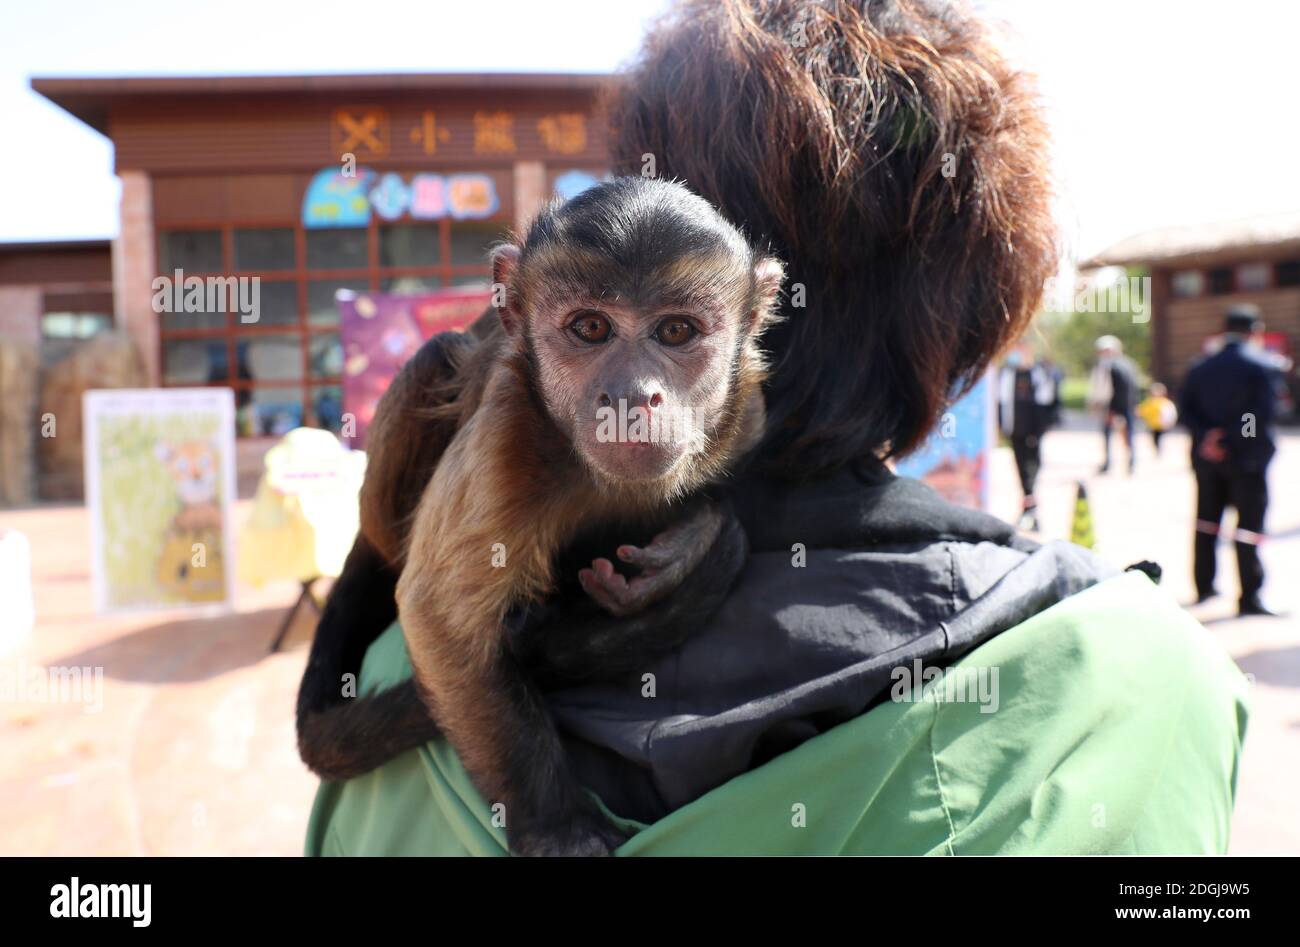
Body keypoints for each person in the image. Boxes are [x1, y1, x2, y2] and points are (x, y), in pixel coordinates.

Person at [305, 0, 1247, 856]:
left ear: (761, 315)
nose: (632, 389)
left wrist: (710, 532)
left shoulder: (391, 669)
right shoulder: (1146, 684)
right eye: (588, 329)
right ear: (979, 314)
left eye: (678, 331)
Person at [1179, 305, 1282, 617]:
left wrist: (1209, 436)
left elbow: (1186, 410)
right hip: (1245, 462)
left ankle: (1204, 585)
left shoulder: (1200, 366)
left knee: (1207, 522)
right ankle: (1249, 596)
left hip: (1207, 458)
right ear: (1256, 330)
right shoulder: (1260, 366)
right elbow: (1255, 415)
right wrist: (1237, 439)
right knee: (1248, 527)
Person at [997, 341, 1059, 531]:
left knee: (1032, 467)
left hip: (1033, 430)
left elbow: (1047, 399)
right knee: (1021, 467)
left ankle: (1030, 507)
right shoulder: (1007, 374)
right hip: (1015, 429)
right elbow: (1000, 401)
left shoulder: (1037, 373)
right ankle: (1029, 507)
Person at [1087, 335, 1141, 474]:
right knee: (1125, 435)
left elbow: (1114, 390)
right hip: (1125, 405)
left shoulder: (1112, 367)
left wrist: (1111, 409)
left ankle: (1122, 462)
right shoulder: (1128, 364)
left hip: (1115, 406)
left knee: (1122, 435)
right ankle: (1128, 461)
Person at [1136, 382, 1178, 456]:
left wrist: (1170, 421)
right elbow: (1143, 410)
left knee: (1160, 438)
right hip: (1152, 425)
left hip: (1162, 424)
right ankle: (1157, 448)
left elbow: (1170, 412)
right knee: (1154, 438)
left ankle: (1160, 449)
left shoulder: (1165, 403)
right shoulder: (1150, 402)